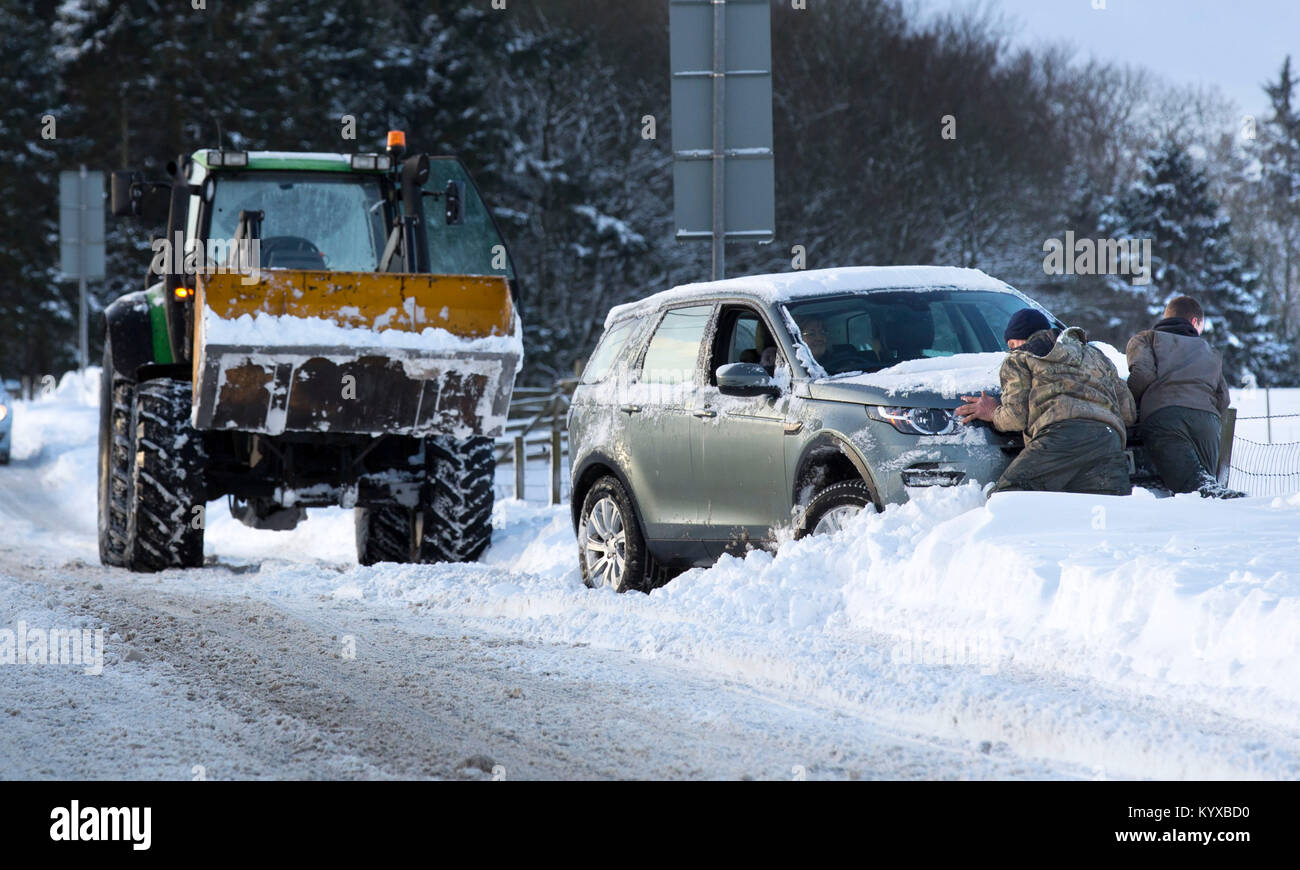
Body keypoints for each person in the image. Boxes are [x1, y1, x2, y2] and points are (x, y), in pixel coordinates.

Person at [956, 308, 1136, 495]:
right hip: (1109, 442)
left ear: (1015, 341)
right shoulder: (1097, 356)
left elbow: (1015, 417)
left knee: (1007, 499)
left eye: (1010, 344)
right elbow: (1128, 414)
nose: (1010, 349)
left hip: (1060, 438)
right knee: (1108, 512)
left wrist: (992, 413)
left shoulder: (1020, 358)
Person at [1125, 296, 1242, 497]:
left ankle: (1226, 502)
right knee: (1204, 485)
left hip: (1164, 417)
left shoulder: (1146, 339)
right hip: (1208, 423)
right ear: (1195, 322)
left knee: (1195, 491)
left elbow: (1143, 374)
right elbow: (1223, 397)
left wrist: (1128, 403)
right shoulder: (1208, 350)